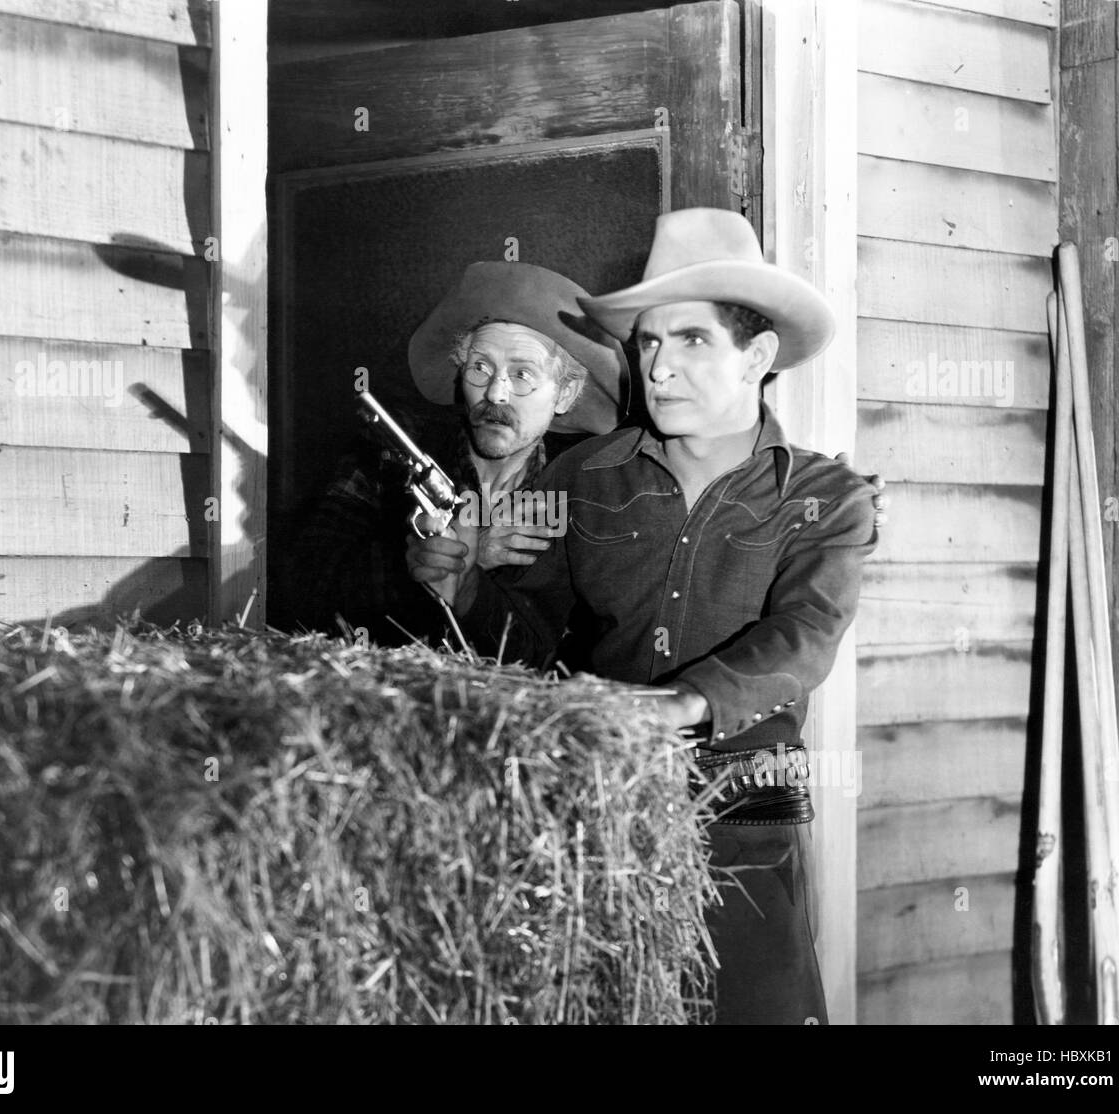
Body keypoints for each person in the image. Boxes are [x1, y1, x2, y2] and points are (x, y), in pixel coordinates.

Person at [406, 208, 881, 1024]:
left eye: (692, 341)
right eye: (648, 342)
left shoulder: (827, 499)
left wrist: (686, 705)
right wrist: (464, 592)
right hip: (599, 822)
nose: (659, 368)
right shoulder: (581, 476)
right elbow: (533, 639)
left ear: (757, 356)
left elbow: (804, 637)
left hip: (742, 835)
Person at [286, 261, 628, 646]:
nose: (495, 394)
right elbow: (302, 585)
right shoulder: (390, 452)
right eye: (480, 367)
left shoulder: (575, 495)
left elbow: (551, 647)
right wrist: (446, 559)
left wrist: (469, 582)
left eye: (522, 375)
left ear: (564, 395)